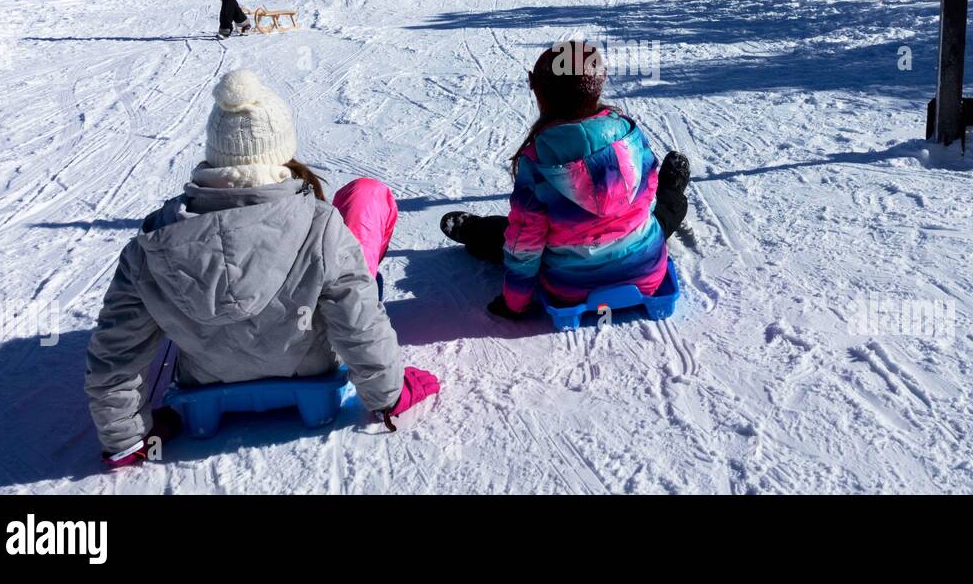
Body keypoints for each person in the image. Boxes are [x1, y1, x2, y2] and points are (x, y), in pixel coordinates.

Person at [84, 69, 437, 468]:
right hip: (311, 372)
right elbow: (358, 319)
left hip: (204, 383)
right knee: (360, 268)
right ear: (281, 150)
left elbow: (116, 352)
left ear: (214, 152)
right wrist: (389, 396)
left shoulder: (153, 241)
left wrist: (125, 438)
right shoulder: (319, 224)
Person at [438, 41, 690, 319]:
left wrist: (514, 304)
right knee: (658, 216)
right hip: (645, 272)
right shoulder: (629, 136)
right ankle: (673, 190)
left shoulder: (538, 161)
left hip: (571, 288)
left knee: (510, 235)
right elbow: (646, 191)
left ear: (538, 90)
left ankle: (473, 230)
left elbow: (525, 244)